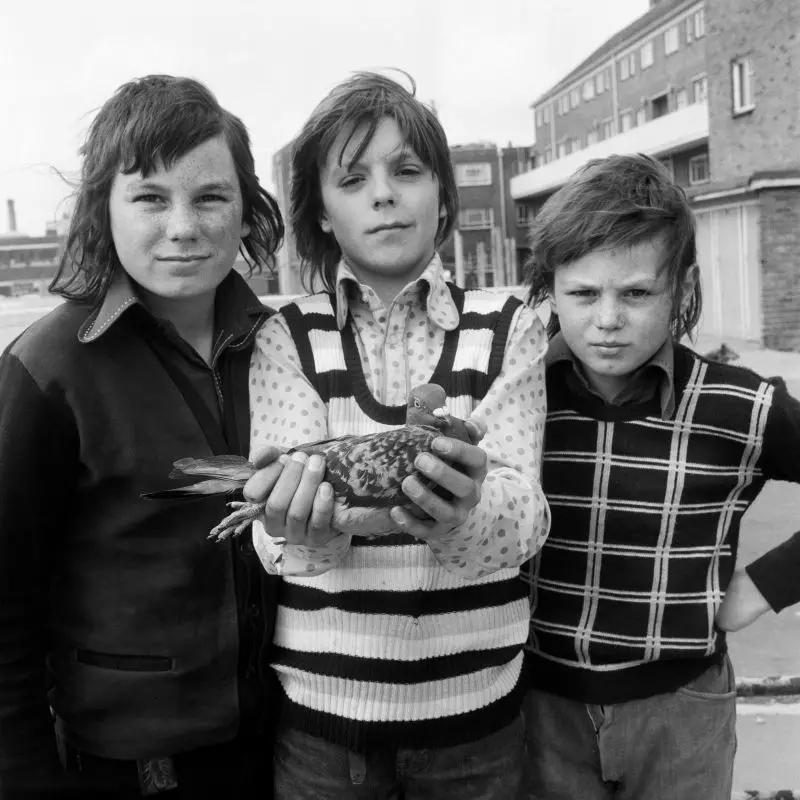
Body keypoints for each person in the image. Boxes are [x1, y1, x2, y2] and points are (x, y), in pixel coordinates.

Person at [241, 71, 551, 799]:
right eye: (353, 178)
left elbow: (525, 518)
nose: (383, 193)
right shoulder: (284, 338)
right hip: (322, 727)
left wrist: (462, 511)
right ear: (320, 211)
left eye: (406, 171)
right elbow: (281, 548)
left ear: (443, 195)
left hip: (475, 722)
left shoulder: (510, 330)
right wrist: (296, 525)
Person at [0, 75, 285, 798]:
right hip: (128, 769)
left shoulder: (287, 351)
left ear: (248, 208)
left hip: (282, 752)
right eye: (151, 198)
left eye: (210, 197)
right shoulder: (47, 369)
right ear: (105, 209)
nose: (183, 226)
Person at [519, 153, 800, 800]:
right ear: (551, 287)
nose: (608, 319)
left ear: (682, 285)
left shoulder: (742, 407)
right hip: (539, 712)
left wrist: (765, 584)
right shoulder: (517, 396)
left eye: (637, 292)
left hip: (683, 715)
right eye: (583, 293)